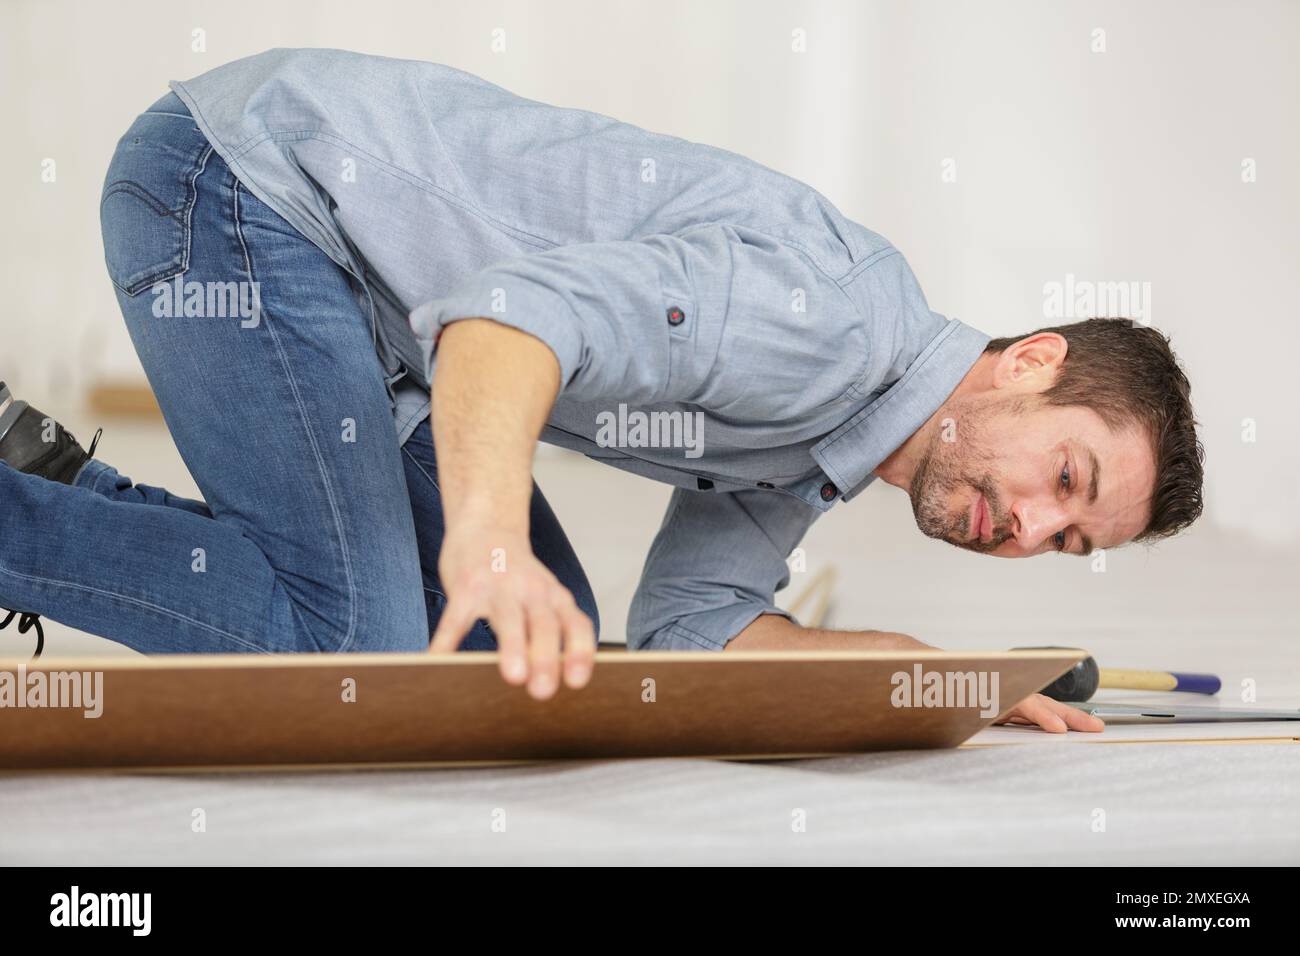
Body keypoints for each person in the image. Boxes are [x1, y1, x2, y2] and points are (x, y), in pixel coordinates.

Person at [0, 50, 1202, 733]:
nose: (1031, 527)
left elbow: (693, 631)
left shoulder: (832, 438)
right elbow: (503, 325)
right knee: (354, 649)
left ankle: (50, 481)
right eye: (1066, 477)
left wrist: (937, 684)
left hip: (366, 310)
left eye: (1065, 542)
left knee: (542, 639)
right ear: (1032, 359)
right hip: (243, 189)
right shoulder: (828, 330)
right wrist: (482, 535)